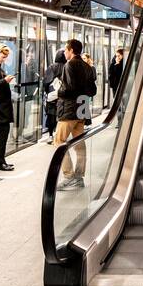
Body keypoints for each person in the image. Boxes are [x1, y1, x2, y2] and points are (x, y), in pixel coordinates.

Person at [55, 38, 97, 190]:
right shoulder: (87, 66)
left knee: (59, 141)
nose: (65, 53)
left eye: (66, 50)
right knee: (79, 143)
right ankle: (79, 176)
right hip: (83, 108)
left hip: (70, 109)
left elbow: (69, 89)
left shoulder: (69, 65)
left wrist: (59, 91)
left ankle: (69, 176)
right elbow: (93, 90)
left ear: (71, 50)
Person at [41, 50, 65, 143]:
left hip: (52, 97)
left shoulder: (52, 67)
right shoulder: (67, 67)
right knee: (61, 116)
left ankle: (50, 135)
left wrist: (47, 92)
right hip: (62, 96)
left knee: (51, 116)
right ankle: (59, 135)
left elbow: (46, 82)